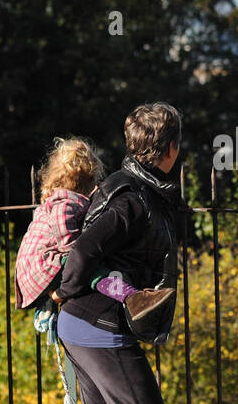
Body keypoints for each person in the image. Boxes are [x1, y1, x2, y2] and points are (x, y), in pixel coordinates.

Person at [52, 103, 183, 404]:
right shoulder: (132, 197)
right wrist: (68, 291)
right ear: (170, 149)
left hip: (84, 324)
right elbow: (84, 251)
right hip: (97, 324)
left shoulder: (142, 189)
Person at [15, 136, 174, 323]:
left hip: (34, 267)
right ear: (91, 175)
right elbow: (68, 240)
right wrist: (80, 256)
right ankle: (133, 299)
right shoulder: (64, 201)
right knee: (92, 269)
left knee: (87, 265)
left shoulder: (64, 200)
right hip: (41, 264)